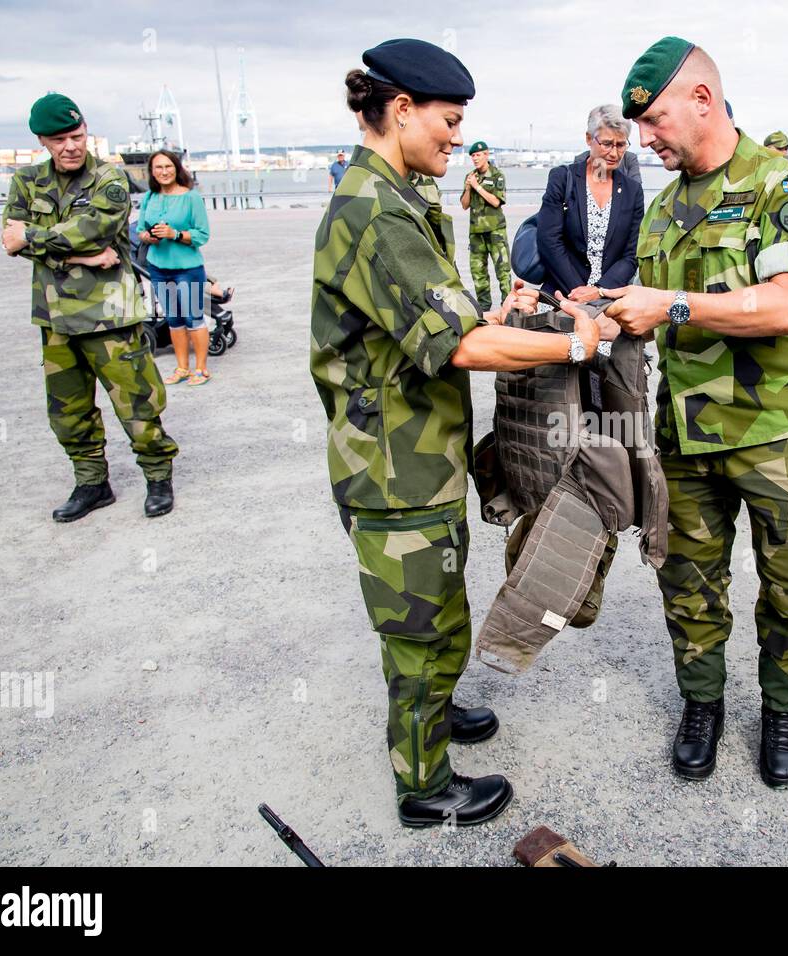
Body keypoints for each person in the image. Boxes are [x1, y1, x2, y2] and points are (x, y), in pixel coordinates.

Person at [309, 39, 601, 828]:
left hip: (416, 456)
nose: (455, 139)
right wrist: (579, 343)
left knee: (436, 609)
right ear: (401, 110)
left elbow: (442, 322)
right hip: (393, 468)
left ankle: (431, 716)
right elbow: (464, 347)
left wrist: (500, 315)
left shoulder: (400, 196)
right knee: (420, 628)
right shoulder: (375, 210)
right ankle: (424, 784)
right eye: (449, 121)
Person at [602, 37, 788, 789]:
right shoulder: (662, 209)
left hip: (774, 433)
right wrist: (596, 310)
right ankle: (701, 705)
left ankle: (781, 709)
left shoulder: (782, 188)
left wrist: (671, 304)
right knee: (688, 584)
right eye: (637, 126)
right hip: (683, 436)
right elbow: (648, 313)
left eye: (655, 120)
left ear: (702, 100)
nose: (645, 138)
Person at [1, 93, 177, 521]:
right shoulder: (26, 181)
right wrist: (79, 257)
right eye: (60, 139)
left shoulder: (109, 179)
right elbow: (11, 240)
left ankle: (157, 477)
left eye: (77, 135)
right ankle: (92, 483)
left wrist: (39, 239)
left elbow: (95, 229)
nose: (71, 146)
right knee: (68, 412)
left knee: (138, 404)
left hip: (110, 316)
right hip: (55, 318)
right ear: (43, 141)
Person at [536, 104, 644, 311]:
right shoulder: (562, 178)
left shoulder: (633, 191)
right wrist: (579, 291)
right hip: (562, 296)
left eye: (621, 145)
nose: (614, 153)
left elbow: (632, 254)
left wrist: (599, 291)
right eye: (606, 144)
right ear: (588, 139)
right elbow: (549, 240)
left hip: (608, 301)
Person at [138, 150, 212, 386]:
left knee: (193, 317)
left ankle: (200, 369)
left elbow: (202, 235)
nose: (163, 171)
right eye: (158, 167)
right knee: (174, 319)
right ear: (152, 171)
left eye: (168, 166)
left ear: (176, 168)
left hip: (187, 269)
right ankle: (182, 368)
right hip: (159, 267)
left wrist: (175, 234)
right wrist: (148, 237)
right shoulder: (150, 197)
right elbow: (140, 228)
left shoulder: (191, 198)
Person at [461, 140, 511, 312]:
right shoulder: (470, 176)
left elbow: (496, 201)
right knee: (478, 273)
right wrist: (468, 188)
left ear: (486, 155)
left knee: (503, 272)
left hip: (495, 230)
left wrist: (477, 187)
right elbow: (464, 205)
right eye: (473, 155)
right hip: (476, 233)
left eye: (478, 155)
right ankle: (484, 309)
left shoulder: (497, 175)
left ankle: (508, 308)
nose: (475, 158)